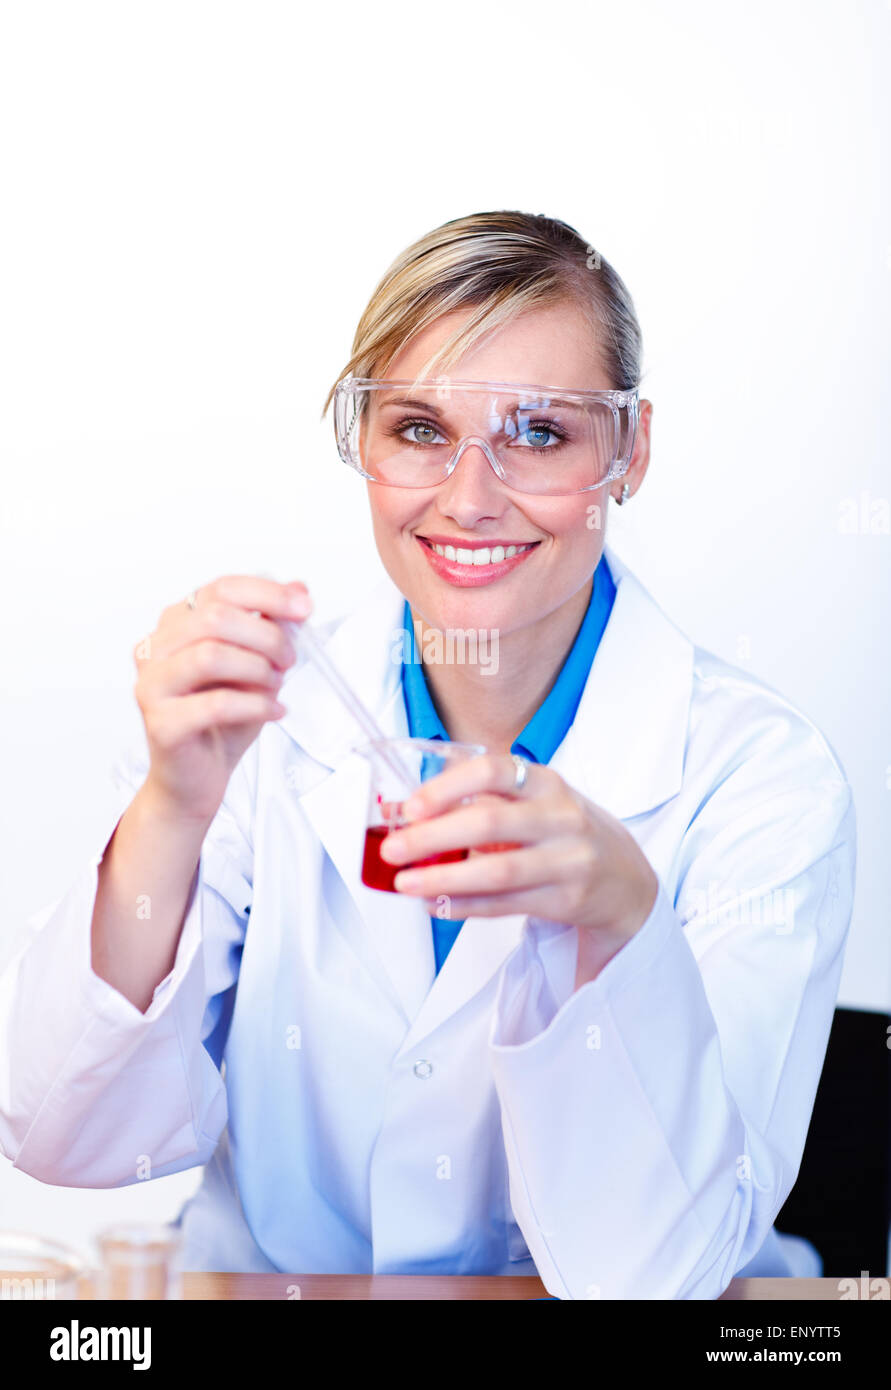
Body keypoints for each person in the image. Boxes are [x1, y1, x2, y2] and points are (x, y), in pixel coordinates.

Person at [0, 212, 855, 1299]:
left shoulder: (760, 781)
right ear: (364, 442)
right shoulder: (273, 726)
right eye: (417, 428)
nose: (468, 495)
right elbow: (63, 1132)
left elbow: (652, 1276)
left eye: (541, 431)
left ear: (629, 452)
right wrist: (174, 804)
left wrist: (619, 918)